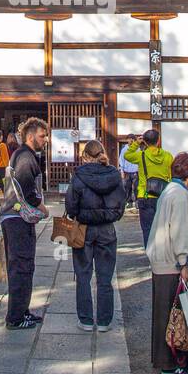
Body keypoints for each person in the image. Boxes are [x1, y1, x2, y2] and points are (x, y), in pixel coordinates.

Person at [146, 151, 188, 374]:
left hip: (162, 259)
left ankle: (169, 359)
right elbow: (179, 231)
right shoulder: (180, 195)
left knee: (165, 312)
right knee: (172, 314)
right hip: (170, 261)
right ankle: (171, 364)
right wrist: (184, 261)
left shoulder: (171, 190)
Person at [64, 140, 126, 332]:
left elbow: (71, 205)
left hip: (84, 227)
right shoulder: (114, 175)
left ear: (85, 156)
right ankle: (105, 321)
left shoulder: (79, 175)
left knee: (83, 274)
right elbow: (121, 203)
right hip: (107, 228)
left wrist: (78, 214)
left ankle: (86, 319)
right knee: (105, 276)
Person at [1, 117, 49, 329]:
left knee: (23, 266)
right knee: (21, 266)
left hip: (15, 216)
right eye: (42, 135)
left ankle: (22, 311)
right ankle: (15, 318)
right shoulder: (25, 157)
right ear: (30, 136)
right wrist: (41, 206)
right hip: (17, 217)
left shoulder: (23, 155)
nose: (46, 139)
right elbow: (26, 187)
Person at [122, 128, 173, 247]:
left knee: (148, 229)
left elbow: (127, 155)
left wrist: (136, 143)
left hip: (145, 195)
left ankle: (151, 255)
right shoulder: (168, 156)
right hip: (163, 195)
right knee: (164, 227)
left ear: (145, 142)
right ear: (158, 140)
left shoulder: (141, 156)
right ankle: (164, 254)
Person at [118, 137, 140, 209]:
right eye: (129, 139)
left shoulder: (138, 149)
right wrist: (122, 171)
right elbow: (121, 160)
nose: (130, 141)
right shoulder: (124, 149)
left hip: (135, 171)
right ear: (127, 140)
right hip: (127, 171)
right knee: (127, 188)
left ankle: (137, 202)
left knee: (136, 188)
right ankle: (129, 202)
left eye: (132, 139)